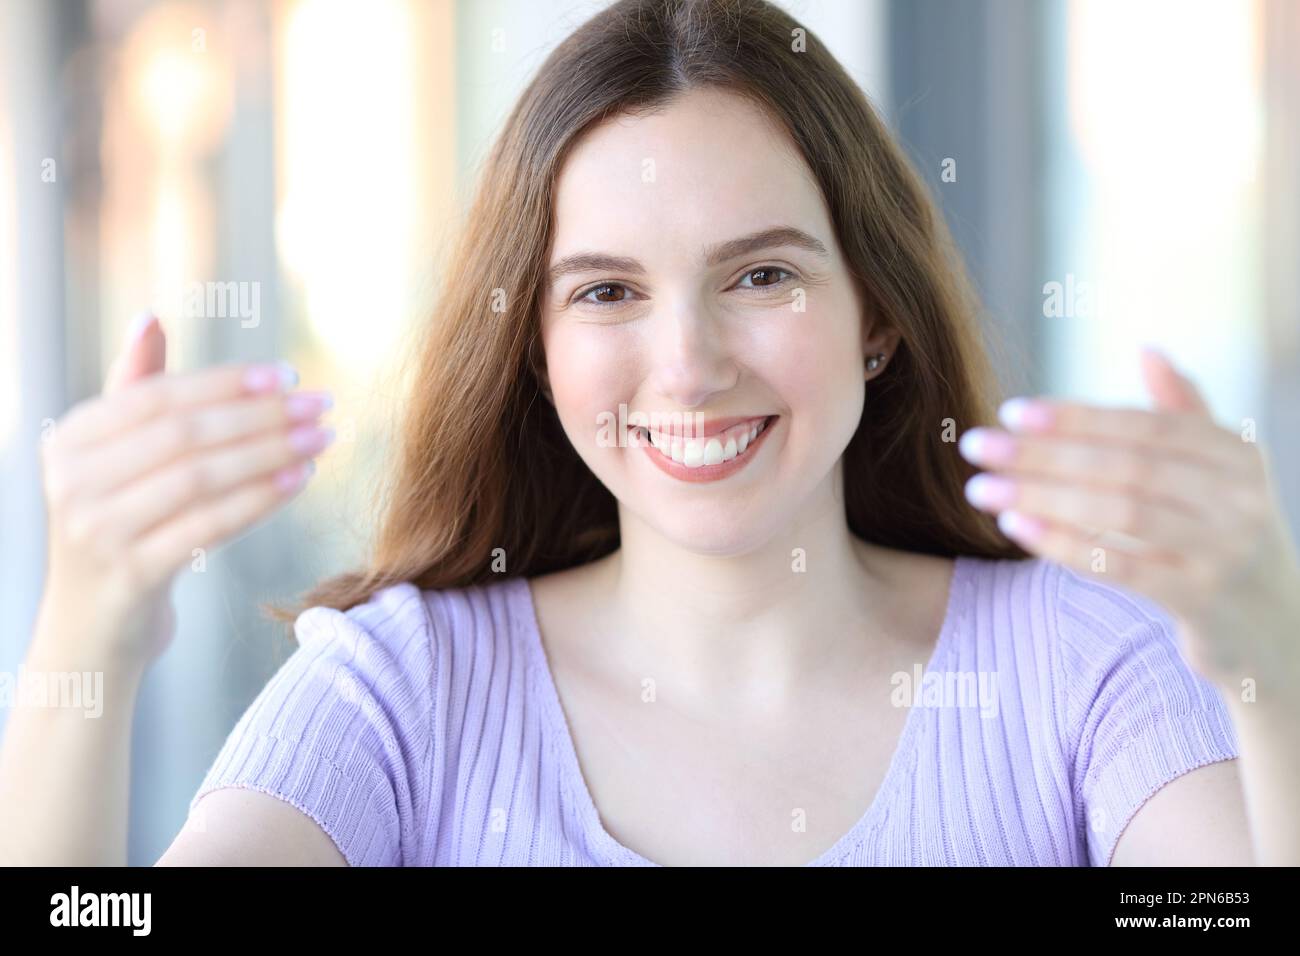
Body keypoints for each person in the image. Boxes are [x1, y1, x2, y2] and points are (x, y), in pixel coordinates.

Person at [2, 0, 1296, 867]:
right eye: (607, 291)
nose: (688, 364)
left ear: (876, 318)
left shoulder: (1091, 674)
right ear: (540, 348)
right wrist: (87, 638)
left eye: (762, 276)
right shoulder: (402, 694)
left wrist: (1267, 659)